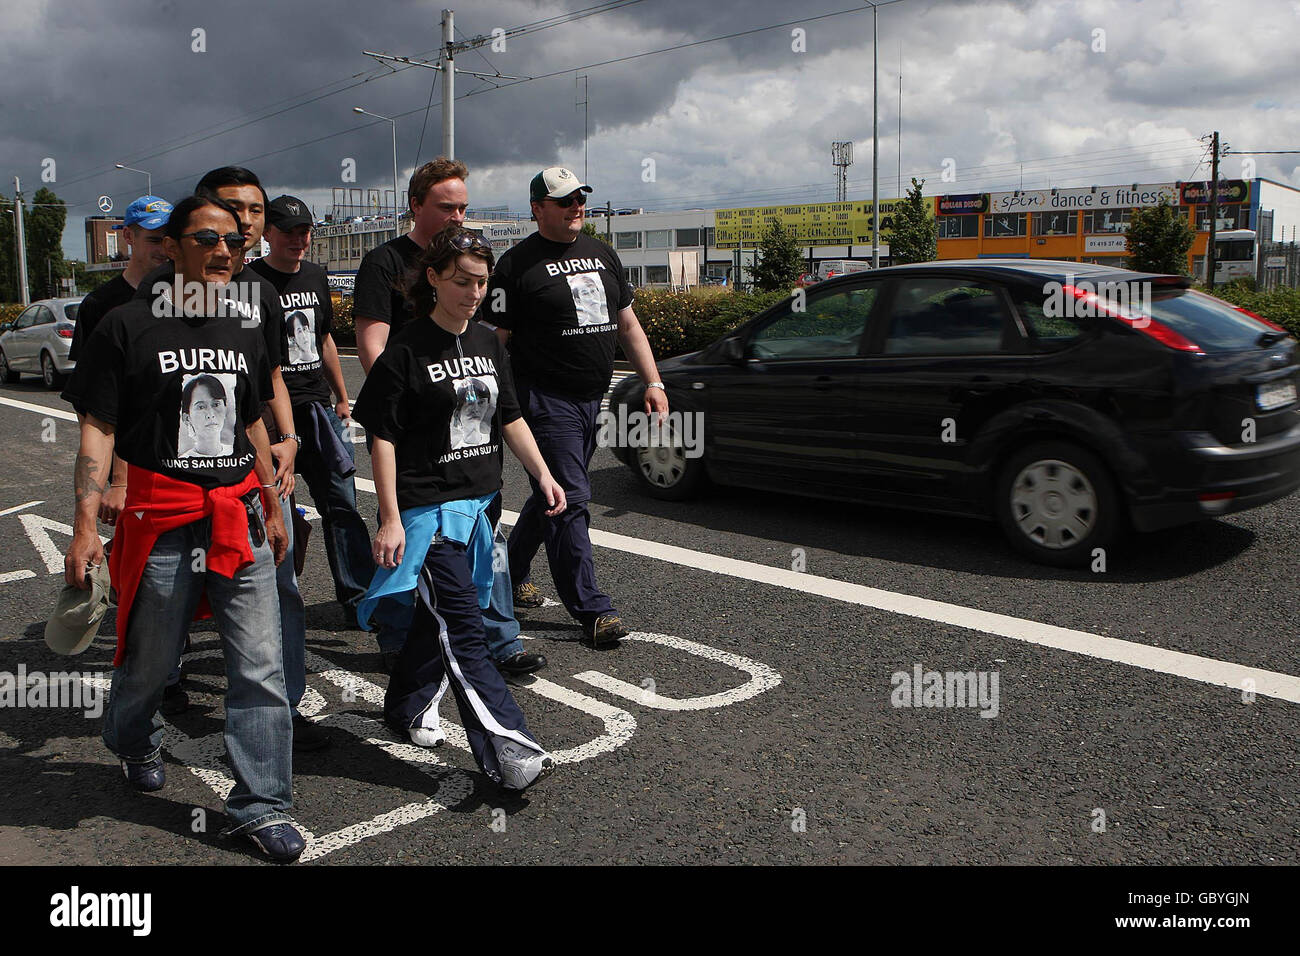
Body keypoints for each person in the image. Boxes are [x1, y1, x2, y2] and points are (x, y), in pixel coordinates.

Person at [62, 194, 306, 862]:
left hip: (237, 517)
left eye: (235, 242)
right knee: (149, 662)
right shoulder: (125, 327)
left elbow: (250, 419)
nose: (225, 252)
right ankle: (133, 737)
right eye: (207, 239)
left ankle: (261, 805)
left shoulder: (246, 325)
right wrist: (85, 526)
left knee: (259, 666)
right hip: (161, 519)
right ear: (173, 247)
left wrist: (273, 504)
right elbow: (98, 428)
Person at [352, 225, 562, 790]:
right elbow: (384, 437)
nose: (473, 292)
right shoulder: (405, 348)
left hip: (480, 507)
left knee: (437, 618)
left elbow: (510, 416)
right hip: (428, 513)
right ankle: (509, 746)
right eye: (462, 280)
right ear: (434, 278)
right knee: (465, 629)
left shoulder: (491, 342)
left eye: (481, 281)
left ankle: (404, 705)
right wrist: (391, 517)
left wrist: (543, 473)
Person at [354, 159, 544, 678]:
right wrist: (405, 399)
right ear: (416, 205)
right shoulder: (385, 263)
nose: (458, 215)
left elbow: (501, 400)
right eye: (446, 207)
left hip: (470, 438)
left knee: (487, 545)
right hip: (418, 436)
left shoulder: (473, 284)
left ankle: (499, 640)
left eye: (463, 206)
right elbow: (376, 344)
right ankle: (399, 641)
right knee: (412, 549)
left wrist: (542, 473)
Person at [486, 167, 669, 646]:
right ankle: (593, 610)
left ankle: (512, 570)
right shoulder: (515, 265)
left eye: (580, 199)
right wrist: (498, 404)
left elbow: (628, 326)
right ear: (538, 208)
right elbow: (497, 343)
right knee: (573, 499)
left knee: (555, 494)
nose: (576, 207)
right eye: (565, 200)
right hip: (543, 399)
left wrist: (653, 381)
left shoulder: (602, 253)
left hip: (592, 396)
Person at [192, 167, 325, 751]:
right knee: (174, 592)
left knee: (279, 585)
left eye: (252, 210)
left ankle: (283, 713)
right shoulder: (167, 294)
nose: (243, 221)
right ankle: (149, 696)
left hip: (257, 464)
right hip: (183, 472)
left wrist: (288, 440)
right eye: (230, 209)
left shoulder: (263, 293)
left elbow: (272, 373)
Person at [249, 195, 372, 624]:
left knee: (342, 505)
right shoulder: (249, 281)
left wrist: (341, 397)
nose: (299, 239)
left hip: (318, 409)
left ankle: (358, 600)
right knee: (270, 510)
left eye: (305, 231)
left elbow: (324, 342)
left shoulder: (318, 277)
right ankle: (276, 606)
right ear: (268, 234)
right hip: (267, 416)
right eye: (289, 231)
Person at [65, 195, 173, 526]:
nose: (163, 249)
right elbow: (91, 406)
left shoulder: (188, 296)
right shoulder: (100, 305)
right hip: (130, 469)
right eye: (153, 239)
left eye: (169, 240)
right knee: (134, 564)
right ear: (128, 236)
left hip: (185, 460)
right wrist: (117, 478)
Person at [179, 374, 234, 457]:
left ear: (225, 409)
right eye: (201, 407)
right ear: (187, 418)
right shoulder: (183, 462)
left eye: (216, 404)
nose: (210, 415)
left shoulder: (236, 454)